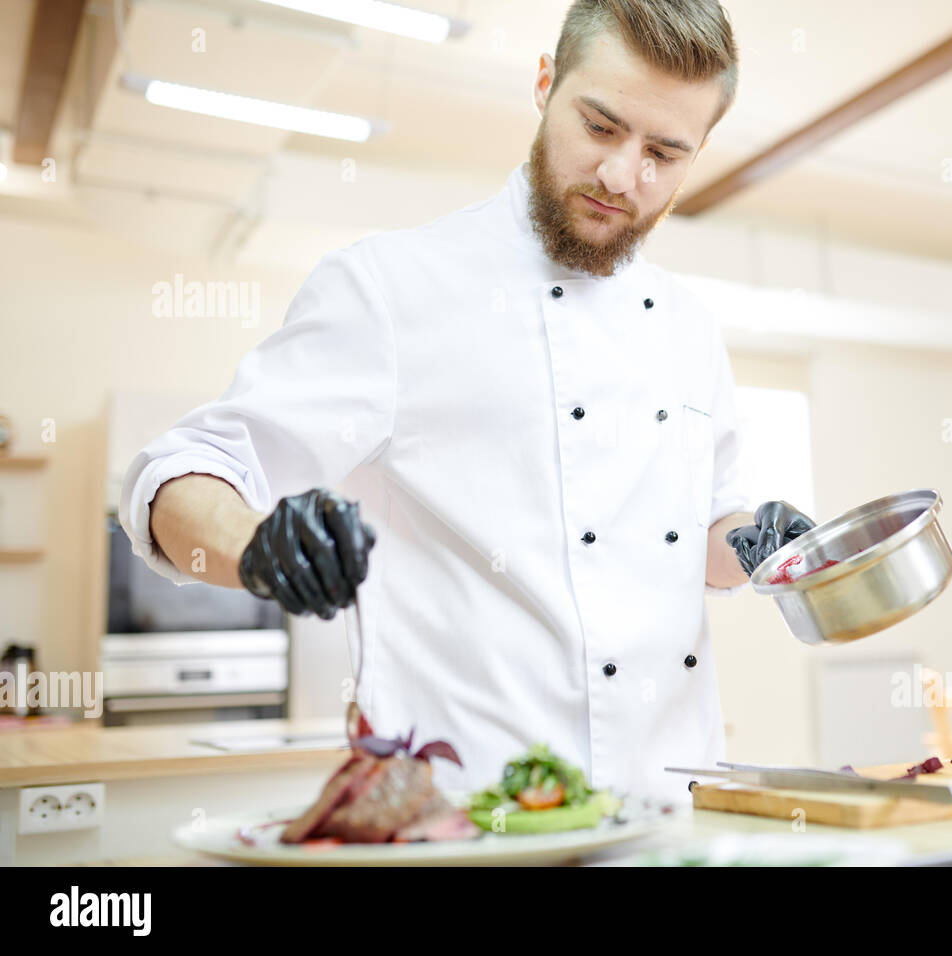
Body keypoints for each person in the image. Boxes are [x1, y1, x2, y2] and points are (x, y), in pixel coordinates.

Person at [119, 0, 813, 804]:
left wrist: (757, 541)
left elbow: (694, 537)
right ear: (546, 83)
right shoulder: (392, 287)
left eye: (665, 152)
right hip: (465, 825)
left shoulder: (691, 329)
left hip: (671, 814)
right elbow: (180, 470)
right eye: (599, 126)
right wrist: (258, 547)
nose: (625, 176)